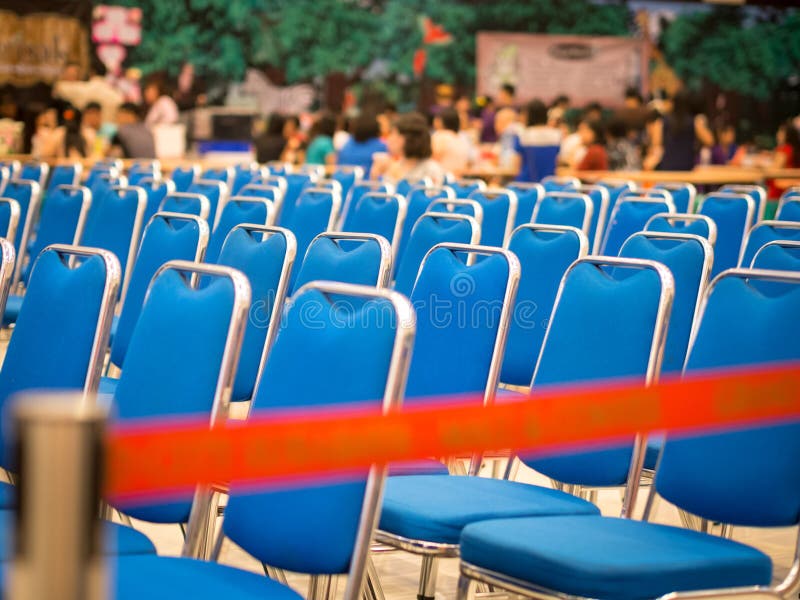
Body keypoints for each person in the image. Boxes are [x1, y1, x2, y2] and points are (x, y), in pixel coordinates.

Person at [643, 90, 713, 171]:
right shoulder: (693, 122)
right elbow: (710, 141)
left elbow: (655, 144)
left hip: (667, 166)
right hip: (687, 166)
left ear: (673, 103)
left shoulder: (662, 122)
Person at [372, 112, 445, 184]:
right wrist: (375, 176)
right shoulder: (393, 166)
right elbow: (381, 194)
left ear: (408, 138)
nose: (389, 139)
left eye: (393, 134)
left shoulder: (431, 169)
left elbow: (430, 194)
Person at [512, 99, 563, 181]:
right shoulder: (556, 135)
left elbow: (516, 166)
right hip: (548, 184)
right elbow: (558, 162)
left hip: (525, 185)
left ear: (529, 116)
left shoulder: (522, 136)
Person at [431, 108, 471, 176]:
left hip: (442, 178)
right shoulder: (461, 138)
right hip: (459, 178)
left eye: (437, 119)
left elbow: (433, 159)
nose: (434, 122)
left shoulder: (440, 135)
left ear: (442, 122)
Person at [766, 120, 800, 199]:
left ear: (787, 135)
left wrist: (762, 168)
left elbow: (773, 171)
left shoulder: (784, 149)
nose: (777, 134)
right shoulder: (795, 149)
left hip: (780, 194)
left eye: (780, 132)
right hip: (793, 191)